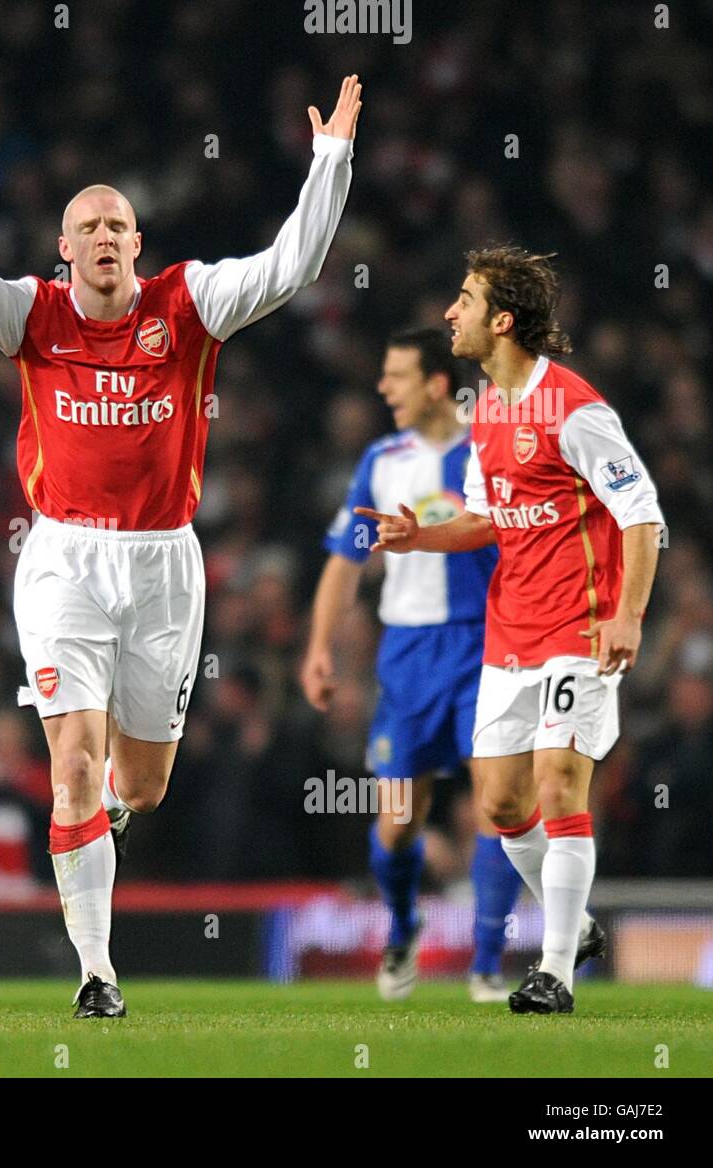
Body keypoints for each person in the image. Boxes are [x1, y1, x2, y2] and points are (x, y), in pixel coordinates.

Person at [0, 76, 362, 1017]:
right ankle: (98, 970)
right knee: (75, 763)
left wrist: (329, 160)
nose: (100, 238)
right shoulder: (33, 314)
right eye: (85, 226)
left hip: (168, 564)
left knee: (142, 782)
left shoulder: (190, 303)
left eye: (115, 226)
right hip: (63, 563)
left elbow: (291, 266)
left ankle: (104, 823)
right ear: (63, 249)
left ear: (138, 244)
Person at [357, 246, 664, 1013]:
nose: (449, 313)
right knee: (498, 807)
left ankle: (554, 972)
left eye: (464, 299)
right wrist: (419, 536)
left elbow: (641, 513)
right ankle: (578, 925)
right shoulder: (485, 409)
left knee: (560, 783)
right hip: (508, 635)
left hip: (580, 628)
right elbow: (487, 518)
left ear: (502, 320)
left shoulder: (576, 410)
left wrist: (627, 614)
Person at [301, 327, 520, 1004]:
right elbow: (346, 558)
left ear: (433, 383)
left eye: (396, 376)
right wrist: (318, 647)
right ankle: (402, 927)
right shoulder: (383, 459)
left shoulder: (490, 448)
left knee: (498, 803)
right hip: (408, 657)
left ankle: (486, 960)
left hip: (485, 647)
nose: (383, 388)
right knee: (398, 820)